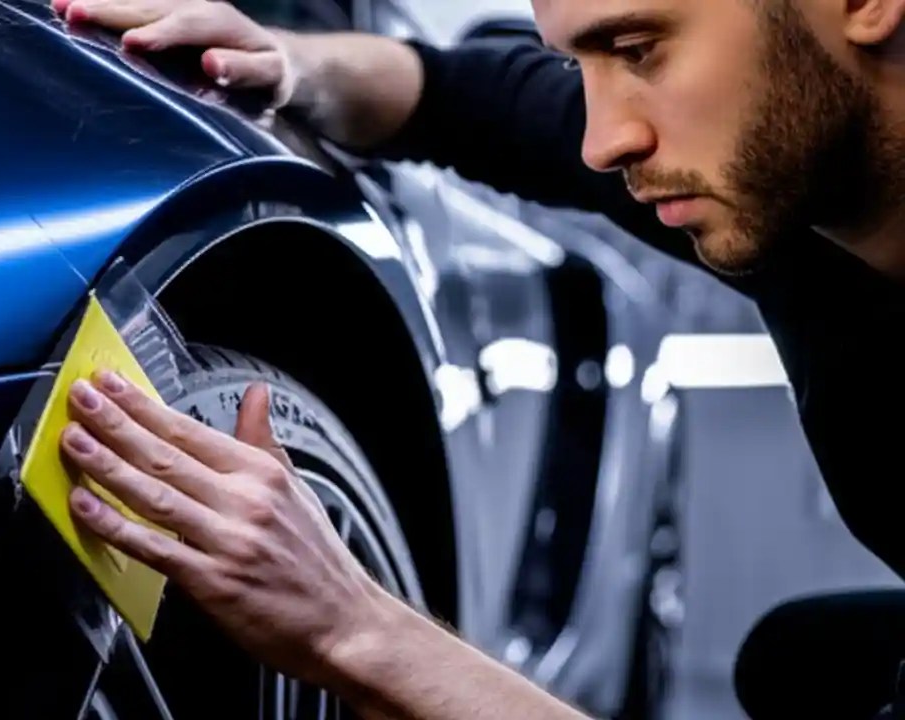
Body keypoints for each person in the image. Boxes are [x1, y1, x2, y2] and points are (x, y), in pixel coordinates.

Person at [47, 0, 905, 717]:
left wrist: (354, 630)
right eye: (581, 66)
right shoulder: (784, 167)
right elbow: (462, 97)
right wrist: (284, 62)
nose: (602, 144)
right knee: (801, 663)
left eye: (639, 51)